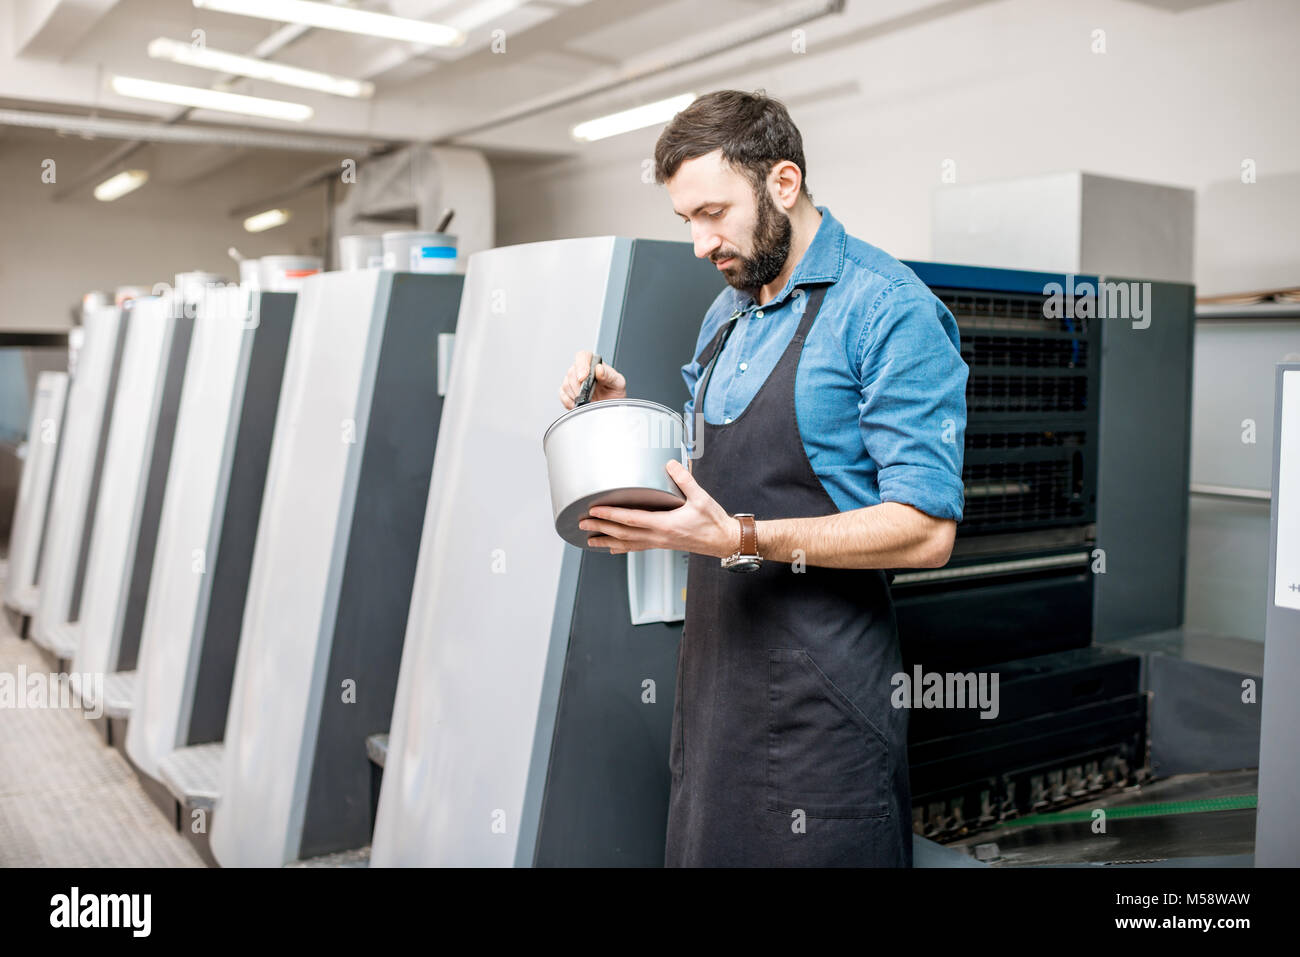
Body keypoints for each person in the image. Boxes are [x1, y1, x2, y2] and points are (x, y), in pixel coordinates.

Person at [557, 90, 968, 867]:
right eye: (686, 220)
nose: (699, 242)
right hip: (717, 692)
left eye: (713, 212)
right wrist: (623, 419)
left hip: (825, 712)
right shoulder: (727, 313)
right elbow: (710, 465)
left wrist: (743, 538)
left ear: (783, 183)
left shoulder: (888, 311)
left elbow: (926, 529)